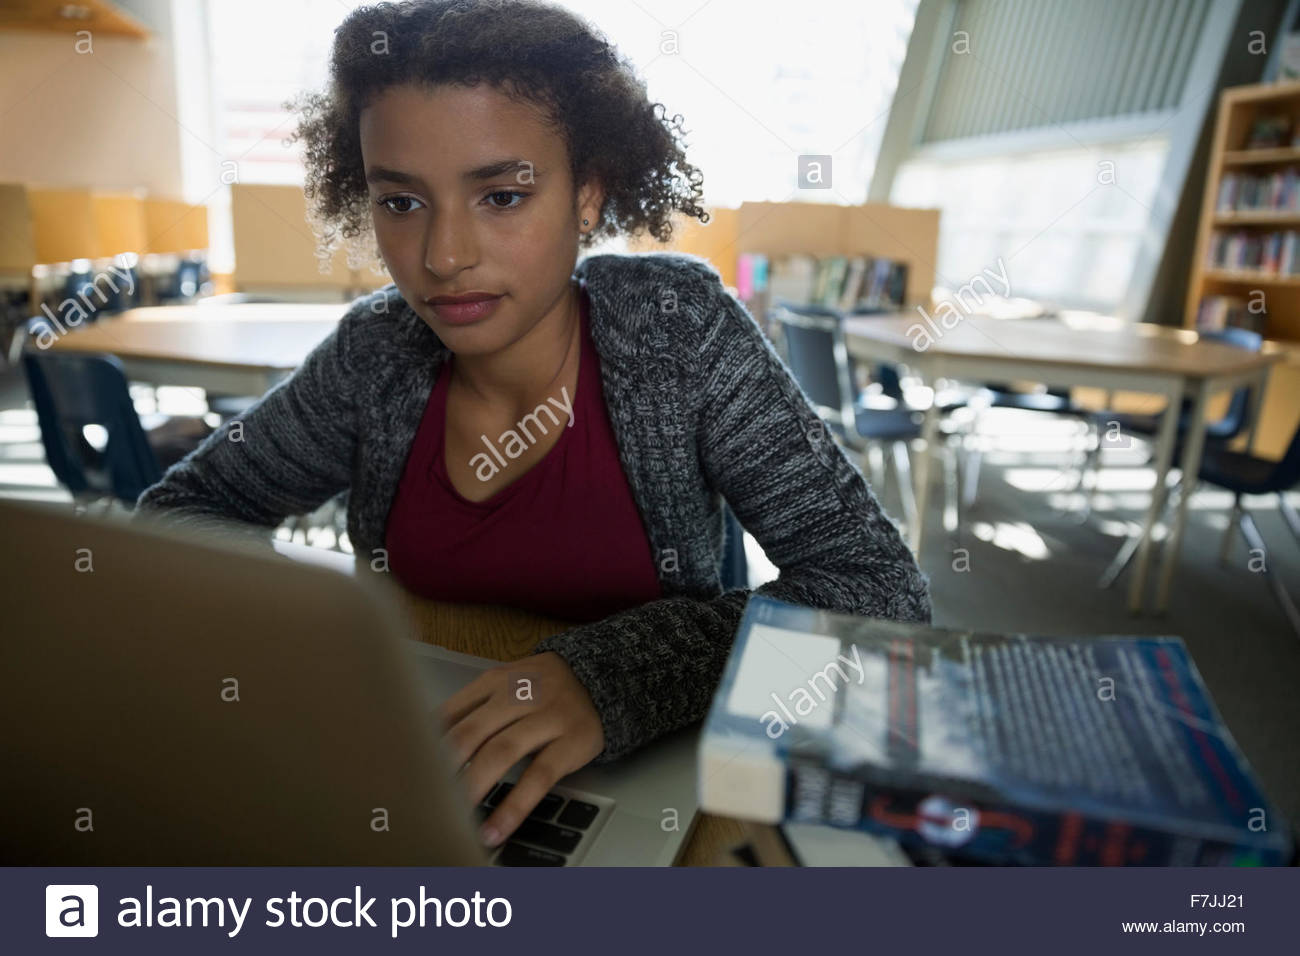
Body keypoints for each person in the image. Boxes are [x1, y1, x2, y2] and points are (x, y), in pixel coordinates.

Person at [136, 0, 930, 851]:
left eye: (503, 195)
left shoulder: (677, 331)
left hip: (662, 788)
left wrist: (617, 676)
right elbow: (183, 514)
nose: (444, 256)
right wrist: (321, 647)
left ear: (588, 193)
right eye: (401, 202)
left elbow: (880, 598)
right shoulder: (377, 353)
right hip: (420, 766)